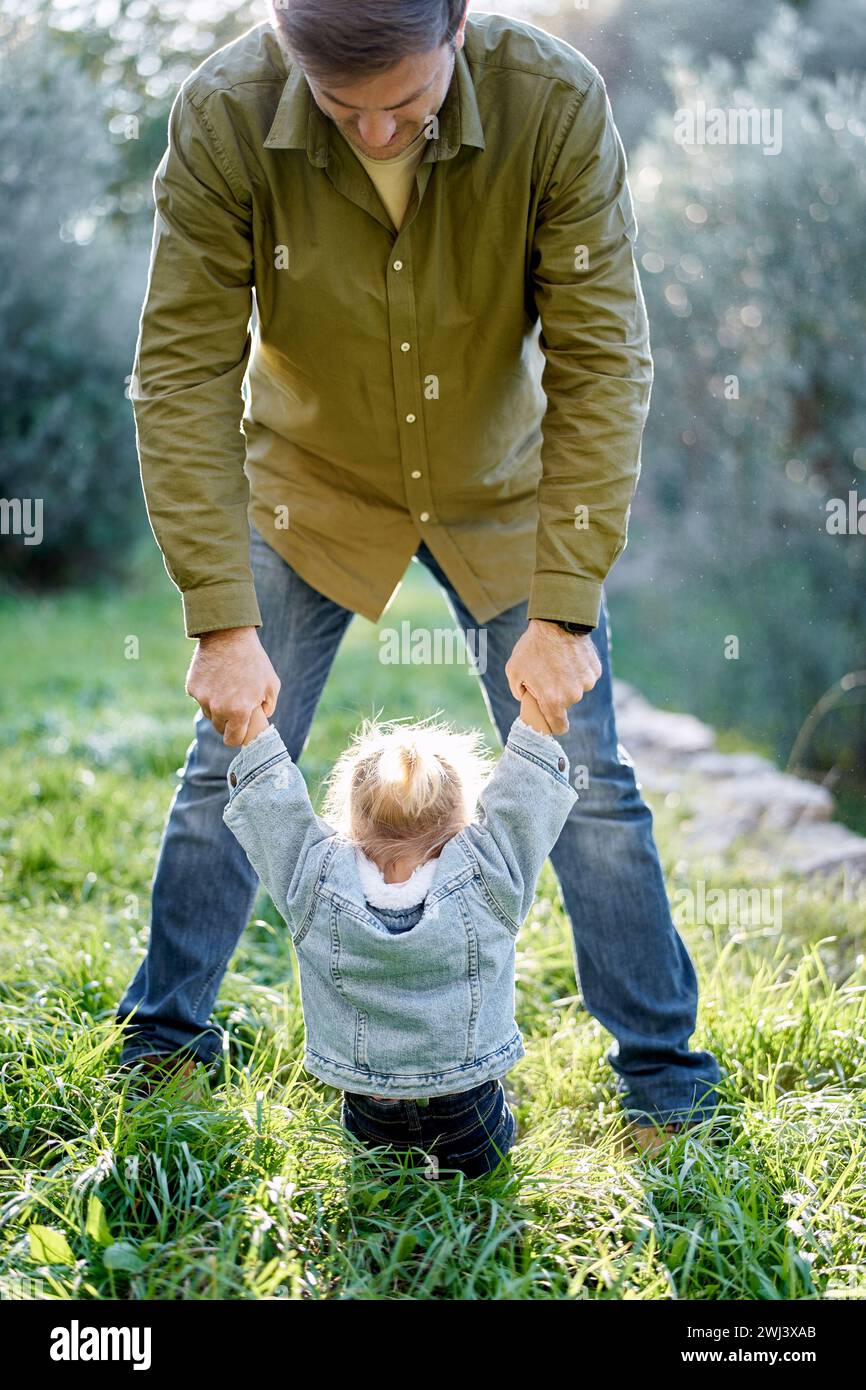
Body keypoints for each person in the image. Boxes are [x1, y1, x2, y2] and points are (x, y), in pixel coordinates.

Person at [116, 1, 723, 1153]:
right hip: (308, 485)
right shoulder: (222, 112)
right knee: (232, 757)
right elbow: (183, 369)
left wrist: (564, 605)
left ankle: (661, 1071)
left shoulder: (553, 103)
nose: (378, 135)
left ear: (455, 23)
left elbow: (601, 355)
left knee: (586, 774)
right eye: (343, 113)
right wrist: (217, 612)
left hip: (499, 491)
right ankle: (163, 1041)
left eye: (406, 103)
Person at [221, 689, 575, 1178]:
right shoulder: (492, 872)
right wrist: (541, 698)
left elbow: (274, 811)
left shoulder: (314, 878)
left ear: (350, 819)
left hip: (371, 1114)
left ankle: (388, 1185)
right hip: (469, 1110)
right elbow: (524, 796)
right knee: (479, 1169)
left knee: (381, 1187)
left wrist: (250, 719)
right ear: (461, 820)